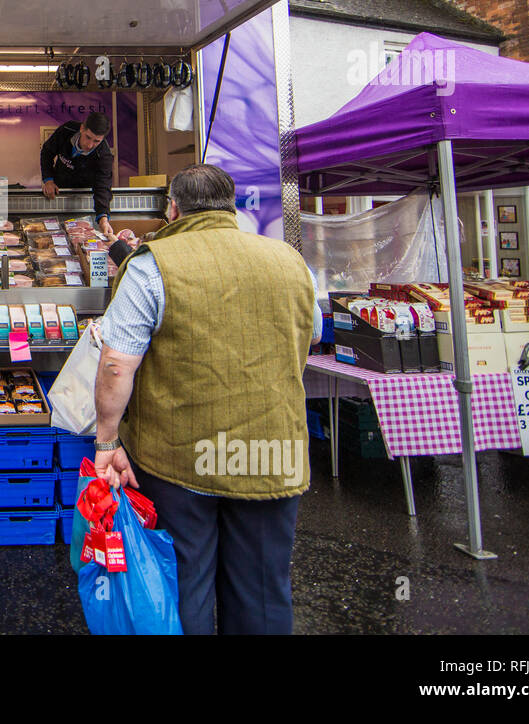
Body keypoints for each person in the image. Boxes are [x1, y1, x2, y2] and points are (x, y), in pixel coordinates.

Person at [91, 164, 322, 635]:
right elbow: (311, 333)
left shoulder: (154, 264)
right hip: (271, 453)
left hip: (181, 457)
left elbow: (118, 364)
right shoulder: (288, 260)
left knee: (186, 580)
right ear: (231, 205)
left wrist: (106, 440)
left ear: (172, 208)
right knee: (262, 586)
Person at [40, 111, 116, 238]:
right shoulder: (67, 130)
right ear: (82, 128)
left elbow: (102, 187)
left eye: (96, 141)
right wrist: (48, 180)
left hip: (84, 196)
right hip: (58, 191)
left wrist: (103, 218)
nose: (90, 145)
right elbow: (47, 152)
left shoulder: (104, 155)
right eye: (88, 137)